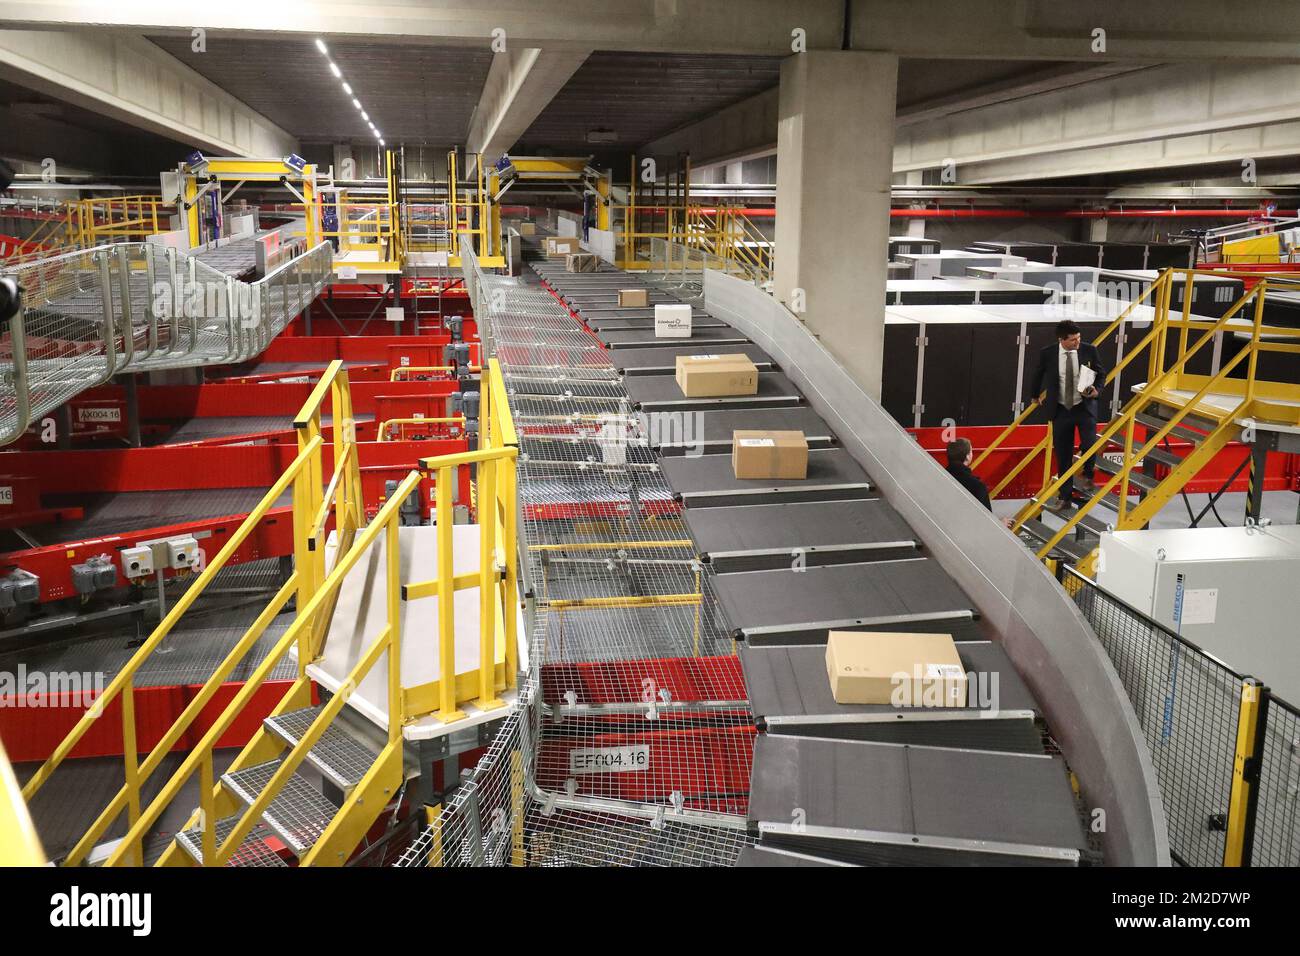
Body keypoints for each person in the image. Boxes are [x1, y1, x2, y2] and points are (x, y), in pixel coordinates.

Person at [1031, 319, 1109, 513]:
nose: (1077, 343)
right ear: (1061, 340)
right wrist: (1034, 395)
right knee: (1064, 456)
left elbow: (1101, 374)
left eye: (1079, 338)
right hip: (1061, 410)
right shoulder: (1048, 353)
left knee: (1090, 443)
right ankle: (1064, 497)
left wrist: (1097, 391)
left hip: (1084, 407)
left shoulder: (1089, 350)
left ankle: (1088, 474)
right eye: (1073, 340)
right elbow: (1038, 374)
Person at [945, 438, 992, 511]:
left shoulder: (941, 478)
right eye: (971, 451)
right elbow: (985, 520)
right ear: (967, 456)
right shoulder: (978, 486)